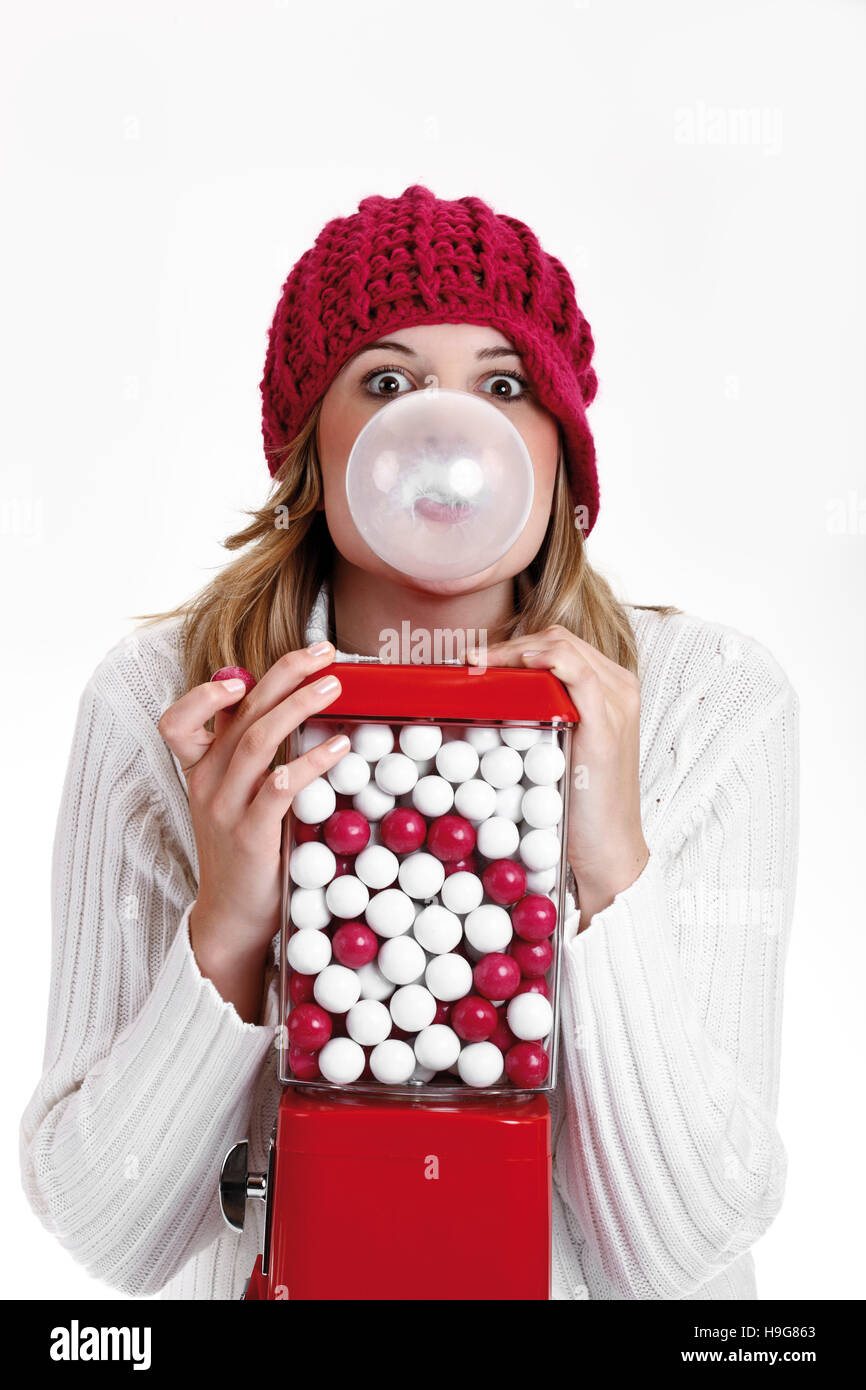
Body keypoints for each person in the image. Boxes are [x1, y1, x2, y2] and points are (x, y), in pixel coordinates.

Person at [19, 184, 799, 1300]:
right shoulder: (174, 703)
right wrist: (231, 921)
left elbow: (689, 1245)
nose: (445, 435)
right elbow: (108, 1232)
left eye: (502, 385)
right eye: (385, 383)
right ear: (313, 449)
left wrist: (611, 866)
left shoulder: (702, 702)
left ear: (557, 447)